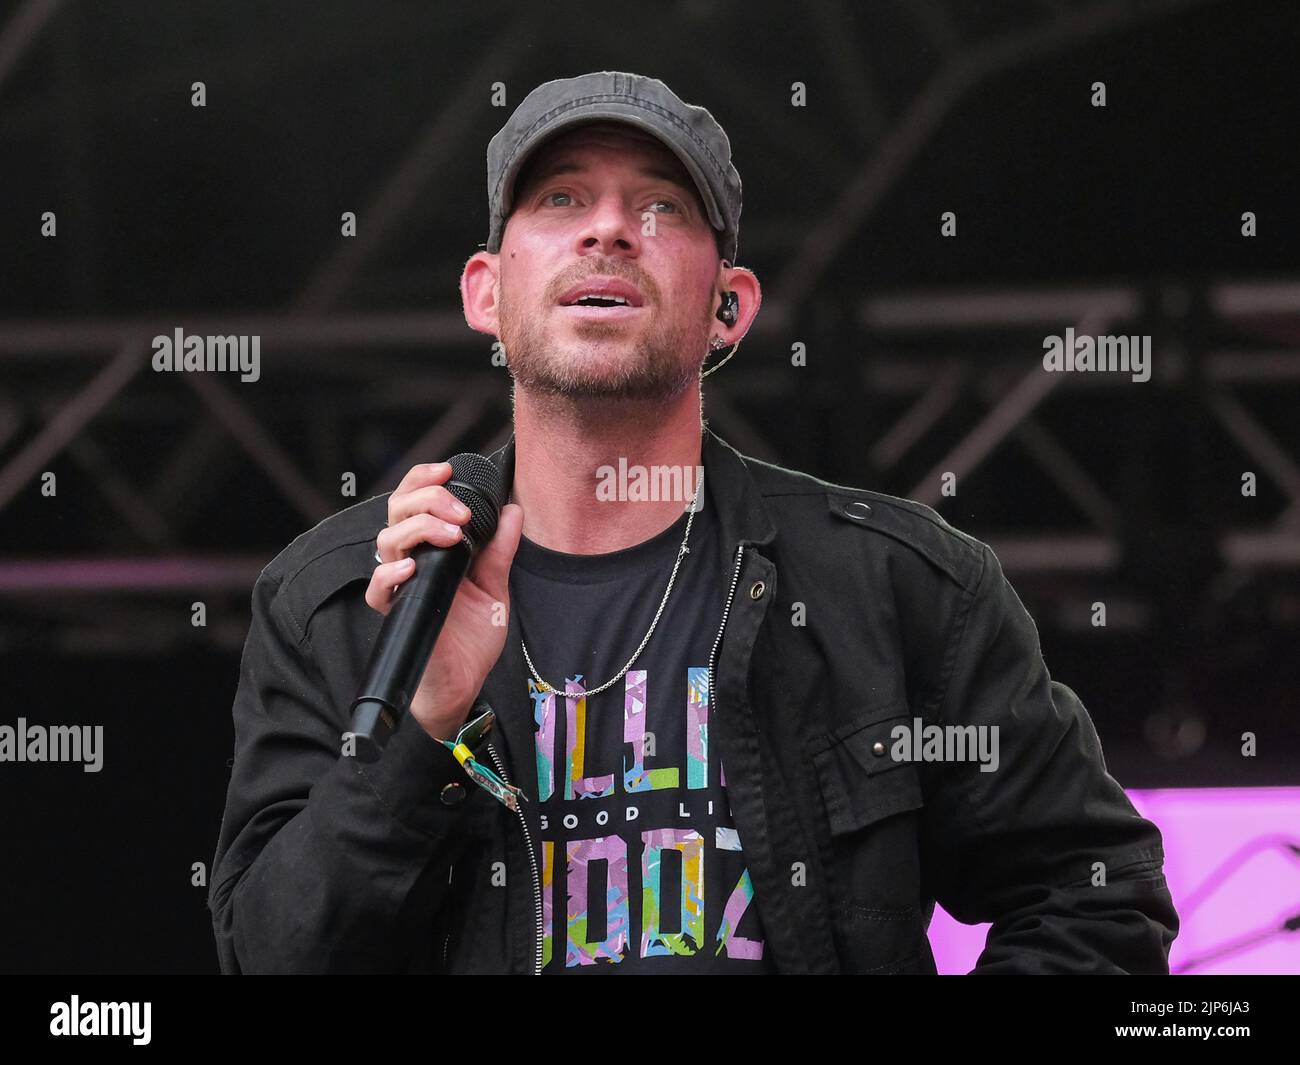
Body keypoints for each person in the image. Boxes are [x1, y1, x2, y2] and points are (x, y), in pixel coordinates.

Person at [208, 71, 1179, 974]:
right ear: (484, 293)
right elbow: (271, 955)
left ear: (729, 307)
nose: (610, 231)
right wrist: (423, 728)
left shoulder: (898, 586)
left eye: (663, 206)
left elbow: (1095, 898)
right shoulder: (339, 601)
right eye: (559, 200)